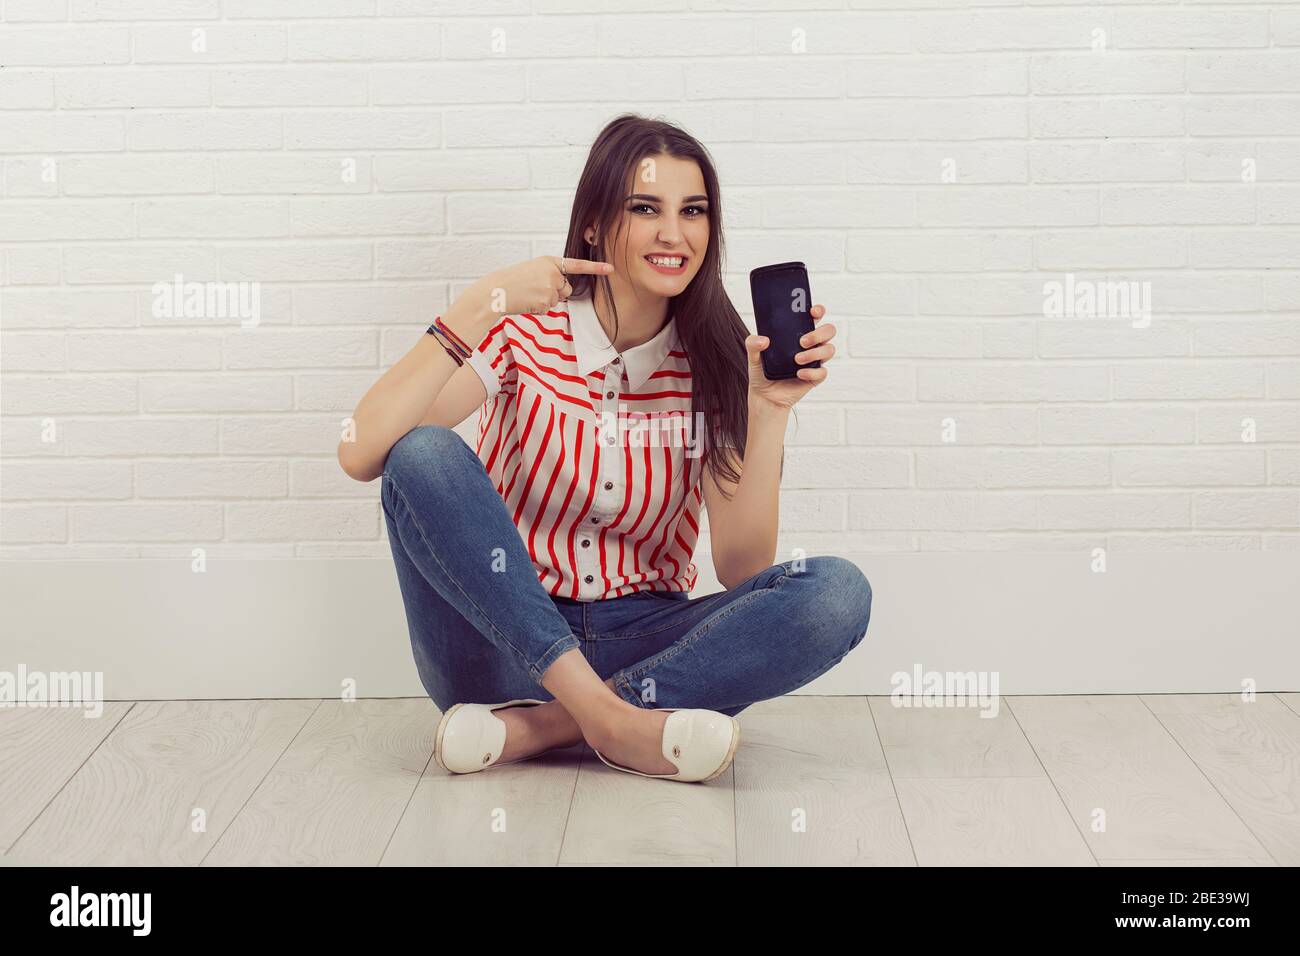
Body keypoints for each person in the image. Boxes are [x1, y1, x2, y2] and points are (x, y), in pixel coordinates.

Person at [339, 113, 872, 783]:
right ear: (593, 223)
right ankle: (620, 721)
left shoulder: (719, 366)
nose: (674, 234)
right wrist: (481, 303)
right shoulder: (525, 336)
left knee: (836, 594)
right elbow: (363, 451)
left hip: (645, 639)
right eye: (645, 208)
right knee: (420, 453)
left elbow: (742, 569)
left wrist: (765, 412)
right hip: (506, 642)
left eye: (693, 211)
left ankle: (544, 728)